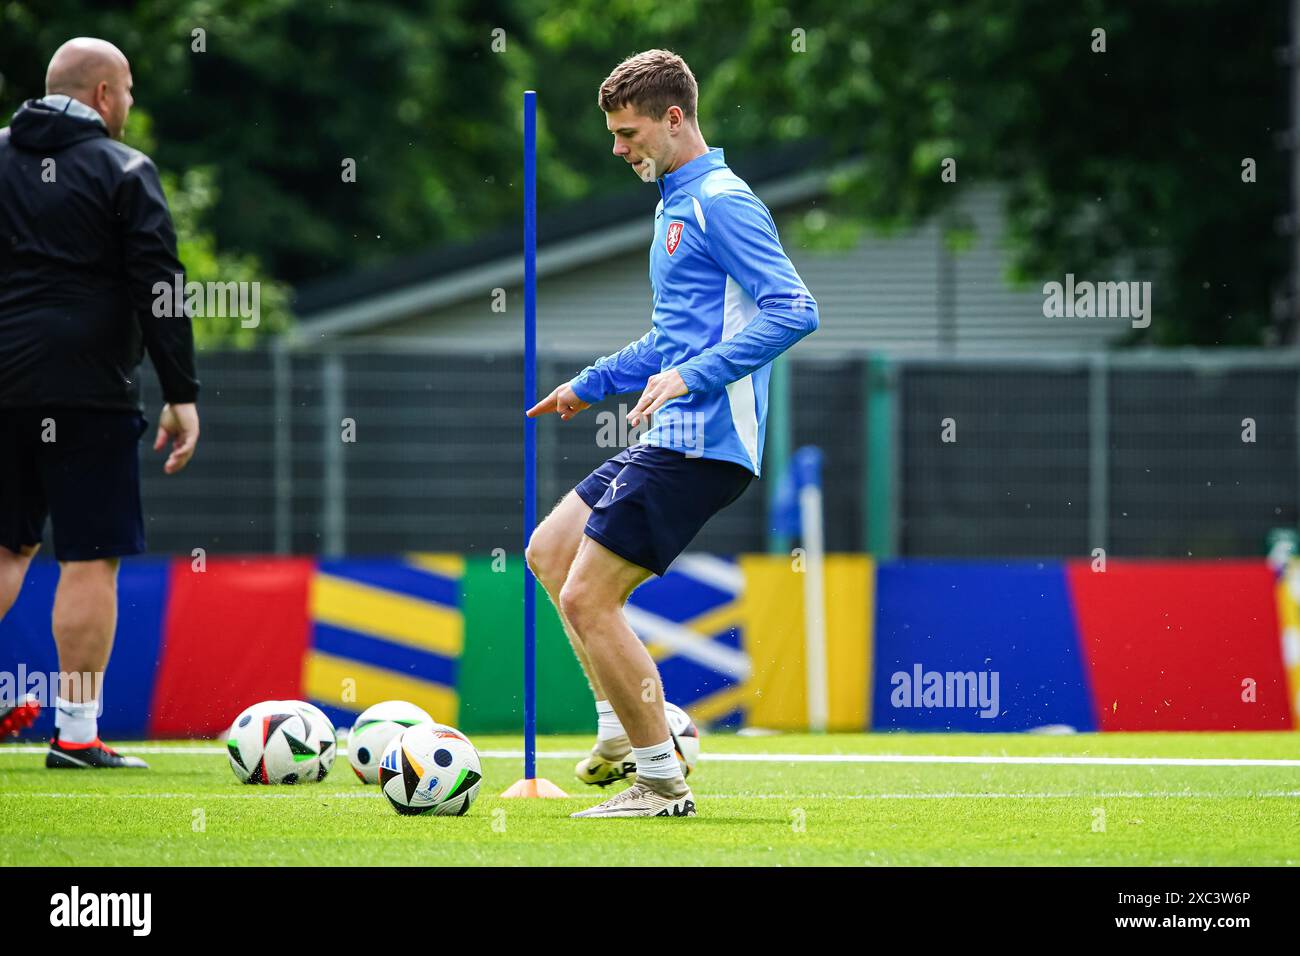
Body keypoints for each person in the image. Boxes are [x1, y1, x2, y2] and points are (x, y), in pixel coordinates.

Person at [525, 49, 818, 817]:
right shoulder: (674, 203)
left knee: (589, 598)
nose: (618, 148)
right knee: (550, 552)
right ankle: (623, 733)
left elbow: (796, 310)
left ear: (674, 119)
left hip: (708, 438)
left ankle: (660, 780)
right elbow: (667, 341)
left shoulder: (722, 199)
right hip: (672, 432)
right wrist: (586, 388)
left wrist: (695, 377)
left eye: (628, 133)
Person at [0, 37, 200, 767]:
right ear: (105, 95)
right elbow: (162, 289)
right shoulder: (123, 169)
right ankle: (77, 733)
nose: (131, 104)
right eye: (131, 90)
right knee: (88, 558)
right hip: (89, 391)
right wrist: (182, 393)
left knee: (5, 547)